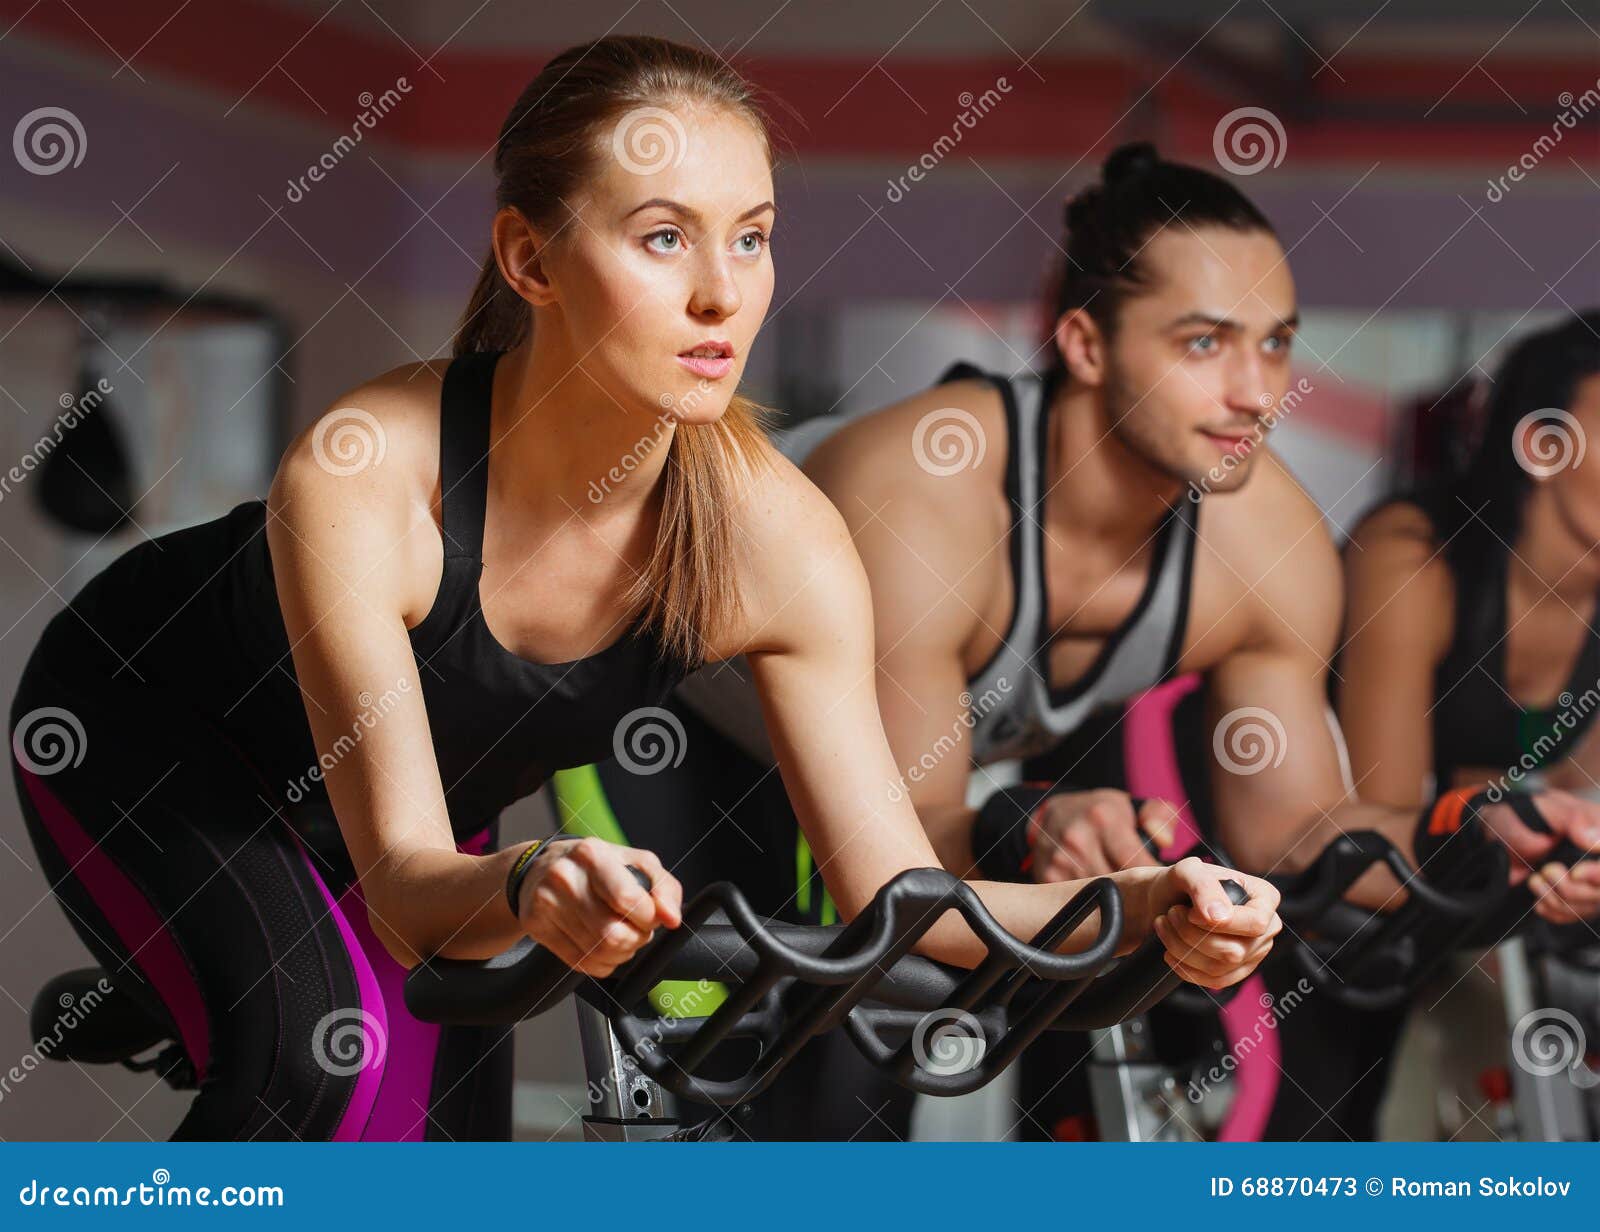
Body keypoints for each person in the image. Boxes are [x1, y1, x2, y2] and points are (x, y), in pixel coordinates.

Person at [8, 40, 1279, 1144]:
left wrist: (1134, 910)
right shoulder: (370, 470)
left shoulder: (772, 539)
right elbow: (402, 879)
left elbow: (902, 896)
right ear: (533, 258)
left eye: (753, 236)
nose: (723, 291)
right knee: (314, 1060)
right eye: (663, 236)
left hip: (406, 805)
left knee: (452, 1153)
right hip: (148, 732)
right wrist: (530, 875)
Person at [571, 143, 1600, 1140]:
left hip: (874, 784)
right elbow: (907, 856)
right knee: (709, 1098)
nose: (1254, 389)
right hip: (666, 719)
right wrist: (1027, 820)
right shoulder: (923, 495)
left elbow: (1290, 832)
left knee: (862, 1099)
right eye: (1203, 343)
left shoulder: (1268, 542)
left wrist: (1480, 833)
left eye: (1276, 342)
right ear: (1084, 345)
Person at [1335, 312, 1600, 1134]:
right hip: (1337, 899)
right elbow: (1389, 827)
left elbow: (1583, 805)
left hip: (1503, 894)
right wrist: (1516, 809)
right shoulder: (1410, 557)